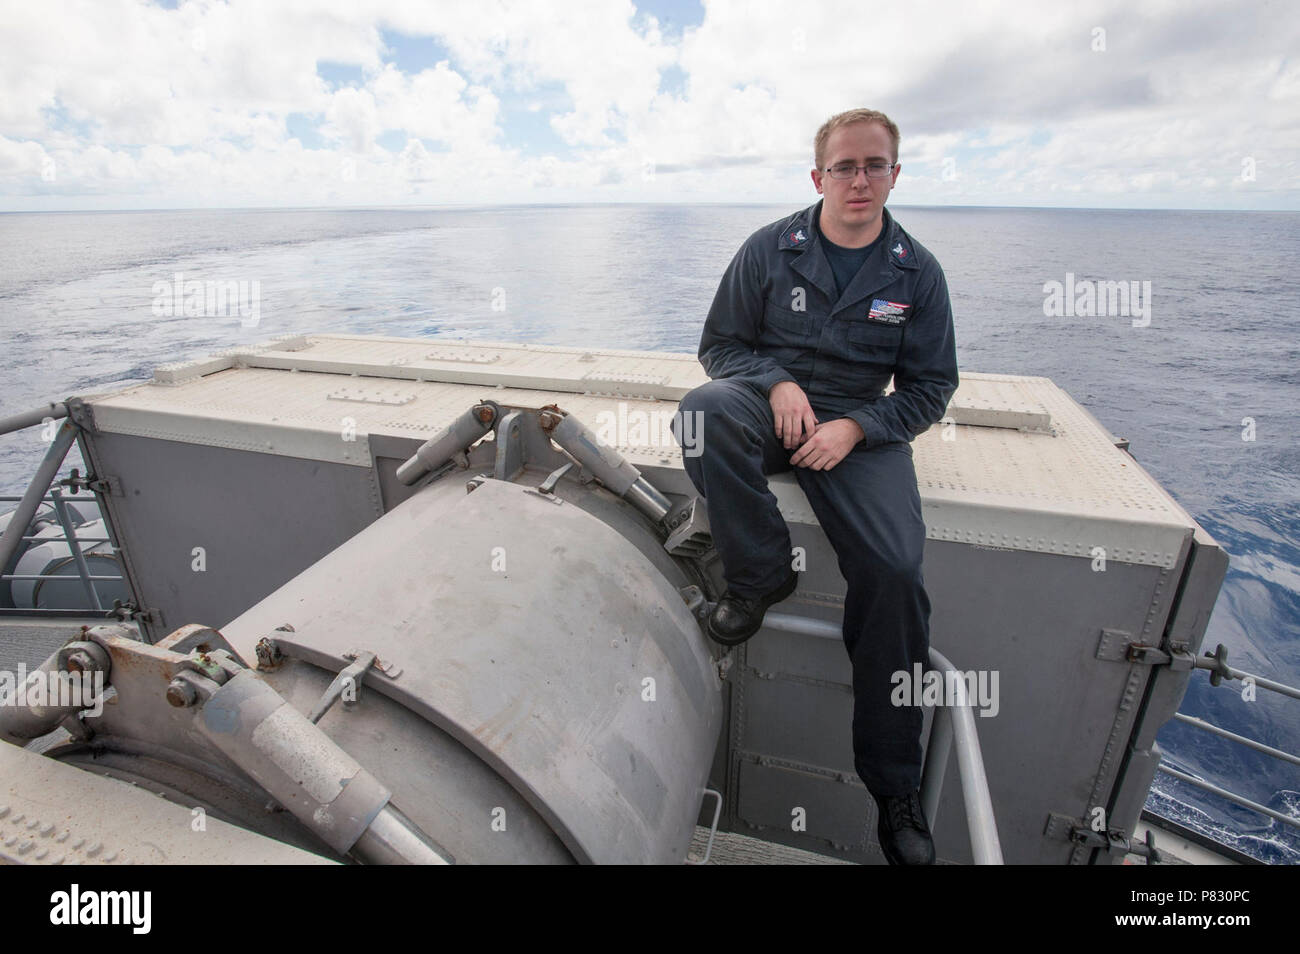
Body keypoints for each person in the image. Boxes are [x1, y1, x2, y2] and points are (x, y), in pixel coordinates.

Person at [673, 108, 958, 865]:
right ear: (818, 176)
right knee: (704, 415)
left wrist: (859, 427)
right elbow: (719, 347)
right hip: (775, 413)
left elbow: (930, 388)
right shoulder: (769, 249)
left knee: (896, 573)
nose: (859, 180)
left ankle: (893, 789)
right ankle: (759, 577)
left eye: (875, 165)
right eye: (845, 167)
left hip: (859, 437)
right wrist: (774, 383)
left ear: (895, 173)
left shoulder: (917, 273)